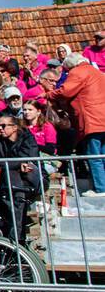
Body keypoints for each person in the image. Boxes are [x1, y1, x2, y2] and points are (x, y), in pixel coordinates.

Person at [49, 51, 105, 195]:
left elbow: (66, 91)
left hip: (91, 120)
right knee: (102, 155)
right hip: (102, 119)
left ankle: (101, 188)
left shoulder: (78, 72)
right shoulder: (96, 72)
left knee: (94, 156)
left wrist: (49, 94)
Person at [0, 112, 43, 244]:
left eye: (3, 126)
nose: (0, 129)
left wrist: (1, 166)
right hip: (13, 183)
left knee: (12, 173)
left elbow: (28, 159)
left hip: (32, 178)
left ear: (14, 127)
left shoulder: (27, 137)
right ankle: (16, 237)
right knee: (12, 174)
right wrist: (2, 165)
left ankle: (16, 237)